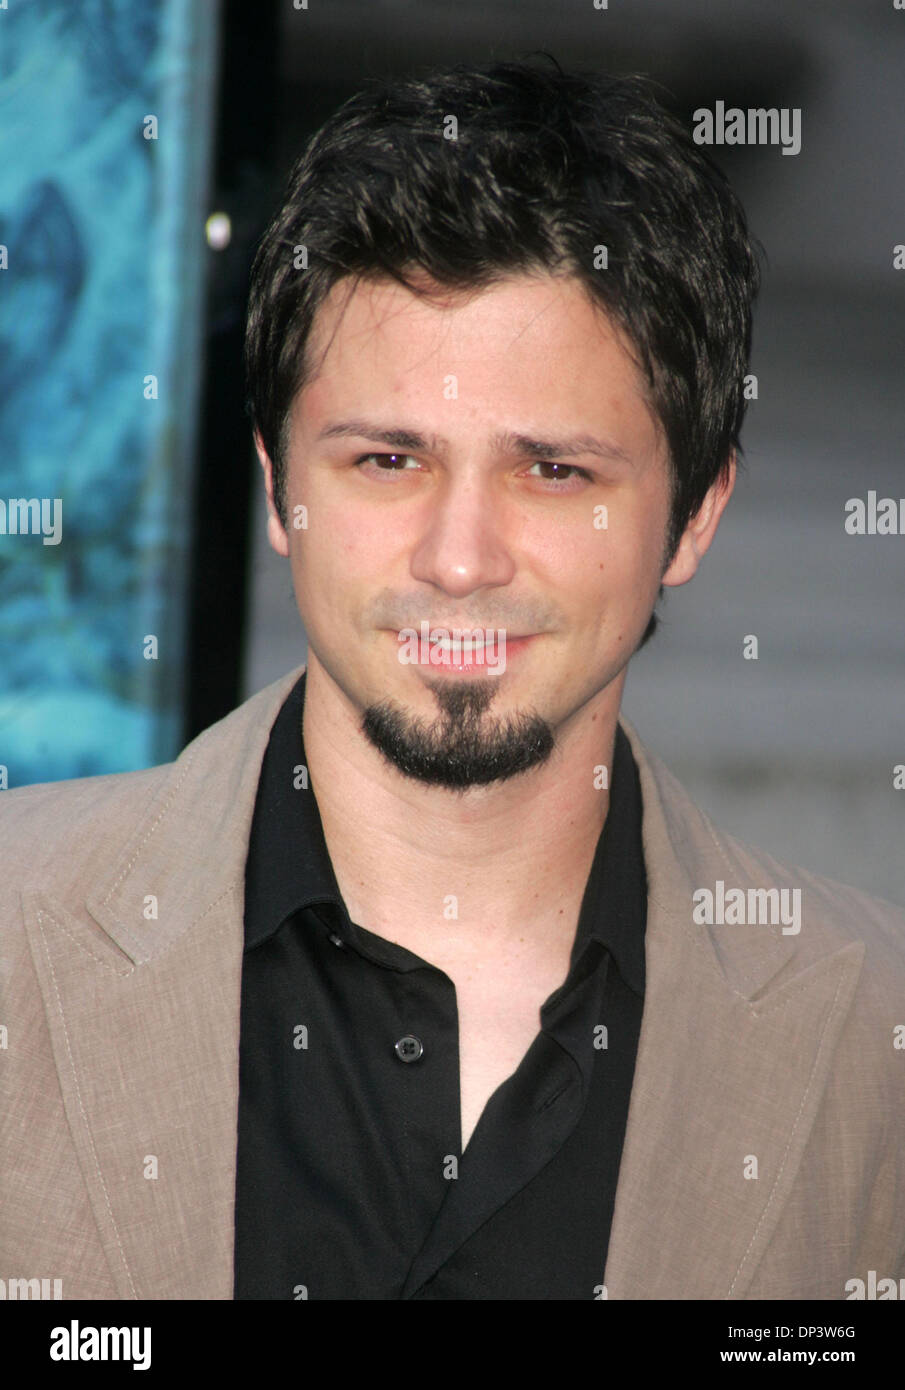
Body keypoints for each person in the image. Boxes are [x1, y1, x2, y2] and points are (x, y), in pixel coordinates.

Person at [2, 59, 903, 1302]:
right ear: (277, 488)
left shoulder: (873, 1035)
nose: (459, 558)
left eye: (552, 472)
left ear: (692, 517)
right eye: (387, 459)